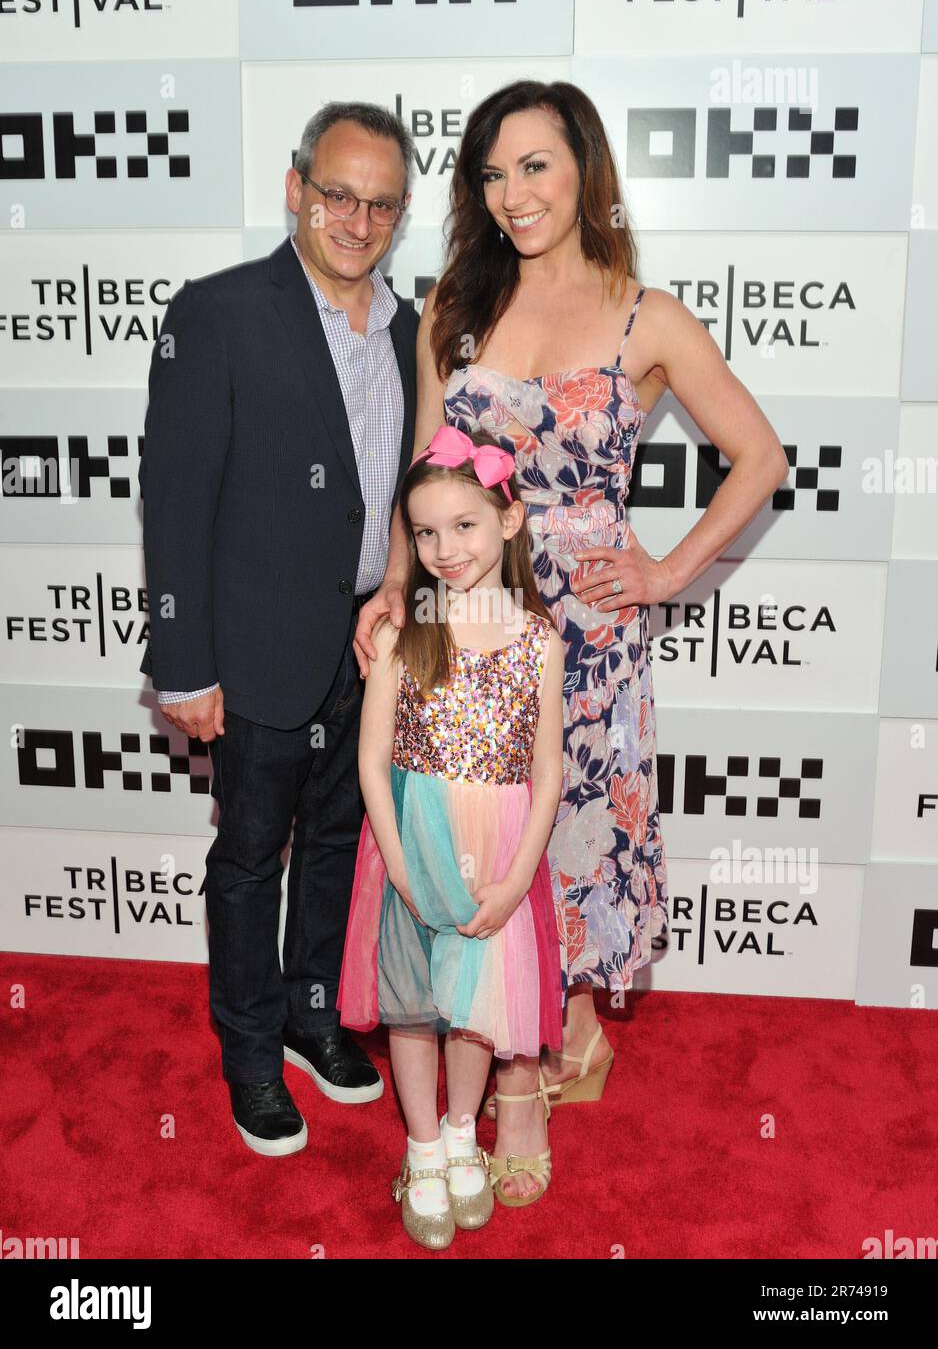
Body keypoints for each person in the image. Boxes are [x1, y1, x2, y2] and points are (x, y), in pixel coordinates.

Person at [353, 81, 789, 1124]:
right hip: (465, 627)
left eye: (534, 166)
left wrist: (666, 571)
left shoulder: (647, 316)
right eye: (492, 174)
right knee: (485, 833)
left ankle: (539, 1060)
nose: (512, 194)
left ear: (584, 169)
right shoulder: (456, 305)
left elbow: (760, 456)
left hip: (590, 639)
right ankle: (501, 1049)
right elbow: (424, 467)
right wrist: (394, 587)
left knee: (572, 832)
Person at [139, 103, 420, 1155]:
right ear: (296, 187)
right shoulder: (217, 311)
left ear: (399, 213)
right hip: (252, 643)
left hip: (367, 643)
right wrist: (184, 662)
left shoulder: (408, 325)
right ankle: (250, 1049)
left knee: (343, 840)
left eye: (380, 201)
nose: (356, 218)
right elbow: (173, 497)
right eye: (337, 192)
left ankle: (312, 1015)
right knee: (252, 857)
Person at [337, 424, 567, 1247]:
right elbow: (370, 761)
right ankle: (423, 1146)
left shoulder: (539, 641)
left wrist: (513, 883)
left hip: (501, 851)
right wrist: (398, 865)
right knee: (411, 1004)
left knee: (476, 1005)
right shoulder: (406, 631)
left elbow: (547, 774)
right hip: (412, 842)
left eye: (463, 526)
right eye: (425, 532)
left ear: (508, 520)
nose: (443, 548)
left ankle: (466, 1133)